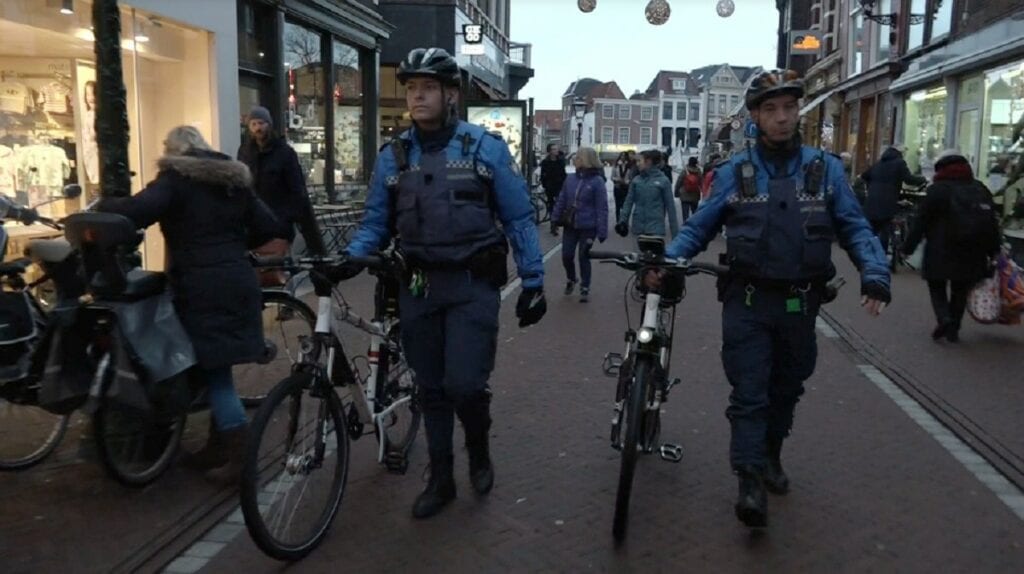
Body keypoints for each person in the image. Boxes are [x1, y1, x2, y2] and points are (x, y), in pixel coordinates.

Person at [658, 69, 890, 528]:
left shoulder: (825, 171)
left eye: (789, 108)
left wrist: (875, 273)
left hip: (799, 304)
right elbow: (697, 227)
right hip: (746, 302)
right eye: (771, 110)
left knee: (786, 388)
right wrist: (665, 262)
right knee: (749, 392)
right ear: (756, 118)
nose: (782, 118)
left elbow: (856, 226)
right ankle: (748, 481)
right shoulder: (732, 173)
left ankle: (770, 455)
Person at [344, 47, 547, 519]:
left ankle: (478, 450)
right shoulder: (394, 157)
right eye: (412, 88)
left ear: (451, 94)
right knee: (430, 389)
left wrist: (534, 280)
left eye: (428, 88)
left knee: (465, 384)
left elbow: (518, 218)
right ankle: (441, 477)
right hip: (418, 287)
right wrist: (351, 259)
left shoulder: (485, 149)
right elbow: (376, 221)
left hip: (472, 285)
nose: (417, 96)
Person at [98, 126, 283, 484]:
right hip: (236, 280)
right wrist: (231, 241)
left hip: (200, 286)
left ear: (174, 151)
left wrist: (103, 205)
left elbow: (137, 212)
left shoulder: (175, 178)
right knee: (217, 365)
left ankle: (240, 460)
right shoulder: (233, 179)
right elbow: (268, 226)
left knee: (215, 375)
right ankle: (218, 446)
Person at [902, 150, 1001, 343]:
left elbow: (921, 221)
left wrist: (908, 247)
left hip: (941, 247)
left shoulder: (938, 190)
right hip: (973, 249)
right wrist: (993, 250)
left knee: (936, 285)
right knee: (960, 288)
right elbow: (990, 223)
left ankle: (944, 317)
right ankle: (954, 327)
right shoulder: (980, 188)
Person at [237, 105, 323, 282]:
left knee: (279, 272)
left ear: (269, 125)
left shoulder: (285, 153)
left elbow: (298, 192)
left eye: (261, 123)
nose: (258, 128)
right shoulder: (245, 153)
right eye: (253, 124)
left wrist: (292, 220)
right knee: (256, 274)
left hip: (279, 225)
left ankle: (288, 306)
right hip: (253, 227)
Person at [551, 147, 608, 303]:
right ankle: (571, 278)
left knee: (583, 256)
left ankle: (585, 285)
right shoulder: (570, 179)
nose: (575, 160)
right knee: (566, 255)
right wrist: (554, 219)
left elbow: (602, 207)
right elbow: (562, 199)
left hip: (588, 226)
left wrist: (602, 230)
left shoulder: (597, 182)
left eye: (578, 157)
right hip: (570, 225)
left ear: (585, 160)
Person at [858, 145, 928, 253]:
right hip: (887, 201)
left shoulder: (879, 163)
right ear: (899, 153)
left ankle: (868, 254)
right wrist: (923, 179)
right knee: (885, 228)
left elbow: (864, 176)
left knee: (873, 230)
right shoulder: (899, 163)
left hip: (872, 201)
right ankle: (882, 256)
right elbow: (909, 179)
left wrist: (873, 187)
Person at [615, 149, 679, 240]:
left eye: (639, 161)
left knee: (655, 254)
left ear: (648, 161)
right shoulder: (636, 180)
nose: (637, 164)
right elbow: (628, 202)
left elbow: (671, 208)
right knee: (637, 254)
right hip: (638, 228)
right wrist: (622, 221)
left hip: (655, 230)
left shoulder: (663, 181)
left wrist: (675, 235)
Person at [540, 143, 568, 236]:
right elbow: (543, 175)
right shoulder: (545, 162)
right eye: (553, 149)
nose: (555, 151)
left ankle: (556, 223)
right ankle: (553, 225)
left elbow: (563, 174)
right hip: (549, 187)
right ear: (549, 151)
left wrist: (564, 184)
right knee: (551, 205)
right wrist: (545, 184)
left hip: (559, 186)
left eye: (556, 149)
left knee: (558, 205)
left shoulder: (560, 161)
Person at [674, 156, 703, 222]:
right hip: (695, 195)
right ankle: (694, 226)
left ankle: (685, 227)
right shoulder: (698, 171)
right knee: (694, 213)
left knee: (685, 214)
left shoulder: (685, 171)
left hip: (684, 195)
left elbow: (679, 182)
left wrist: (676, 193)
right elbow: (701, 183)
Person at [611, 151, 633, 222]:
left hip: (626, 188)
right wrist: (618, 180)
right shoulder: (616, 166)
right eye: (621, 155)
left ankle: (625, 221)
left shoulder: (629, 166)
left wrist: (627, 182)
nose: (623, 157)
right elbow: (612, 177)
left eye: (624, 156)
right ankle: (618, 221)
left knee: (625, 205)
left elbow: (631, 178)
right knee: (617, 206)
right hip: (618, 187)